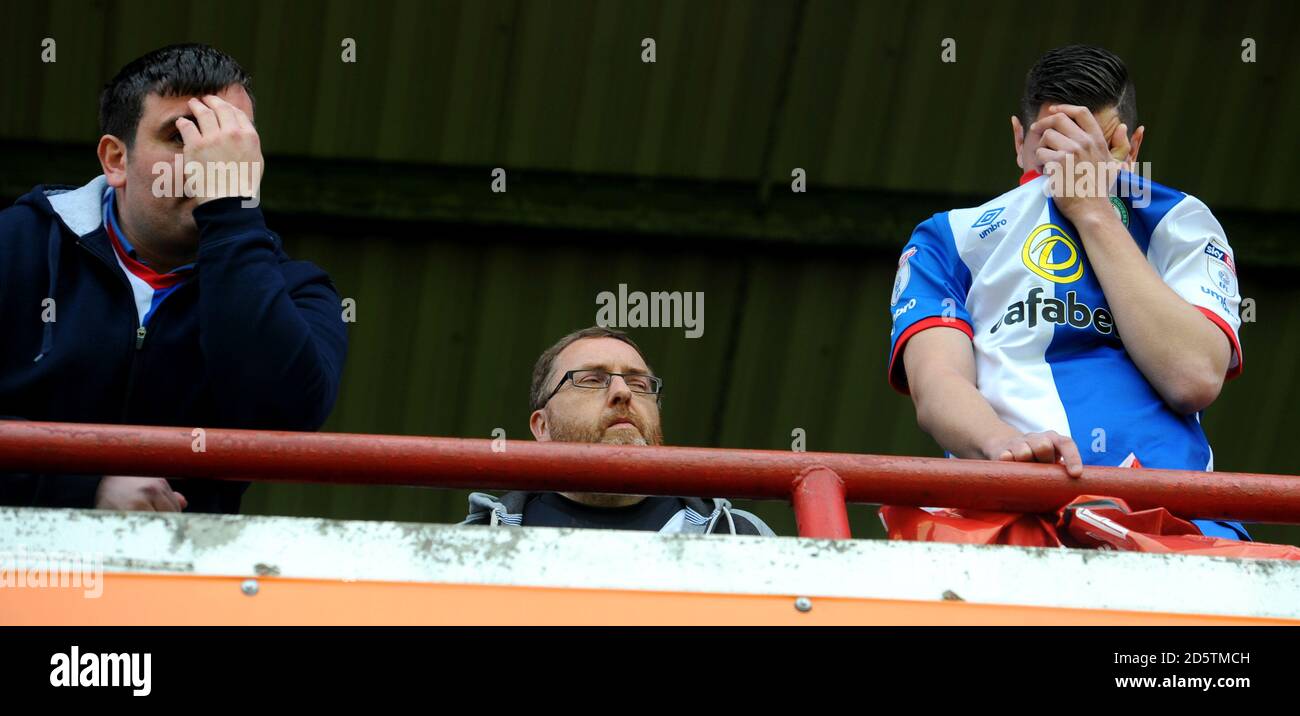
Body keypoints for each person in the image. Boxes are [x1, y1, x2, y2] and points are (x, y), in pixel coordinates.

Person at [887, 45, 1247, 539]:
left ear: (1131, 146)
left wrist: (1091, 207)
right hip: (1007, 521)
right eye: (1053, 144)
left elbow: (1193, 377)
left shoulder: (1179, 219)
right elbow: (937, 384)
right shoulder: (949, 236)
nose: (1072, 165)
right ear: (1020, 141)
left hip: (1174, 528)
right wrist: (1004, 445)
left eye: (1095, 149)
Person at [0, 44, 348, 513]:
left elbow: (280, 421)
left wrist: (229, 211)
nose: (210, 161)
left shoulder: (298, 291)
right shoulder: (13, 245)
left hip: (182, 575)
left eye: (228, 140)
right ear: (115, 160)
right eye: (181, 136)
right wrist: (84, 490)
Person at [464, 326, 774, 535]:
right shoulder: (471, 544)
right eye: (591, 380)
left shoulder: (738, 536)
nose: (622, 392)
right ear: (542, 426)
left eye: (639, 383)